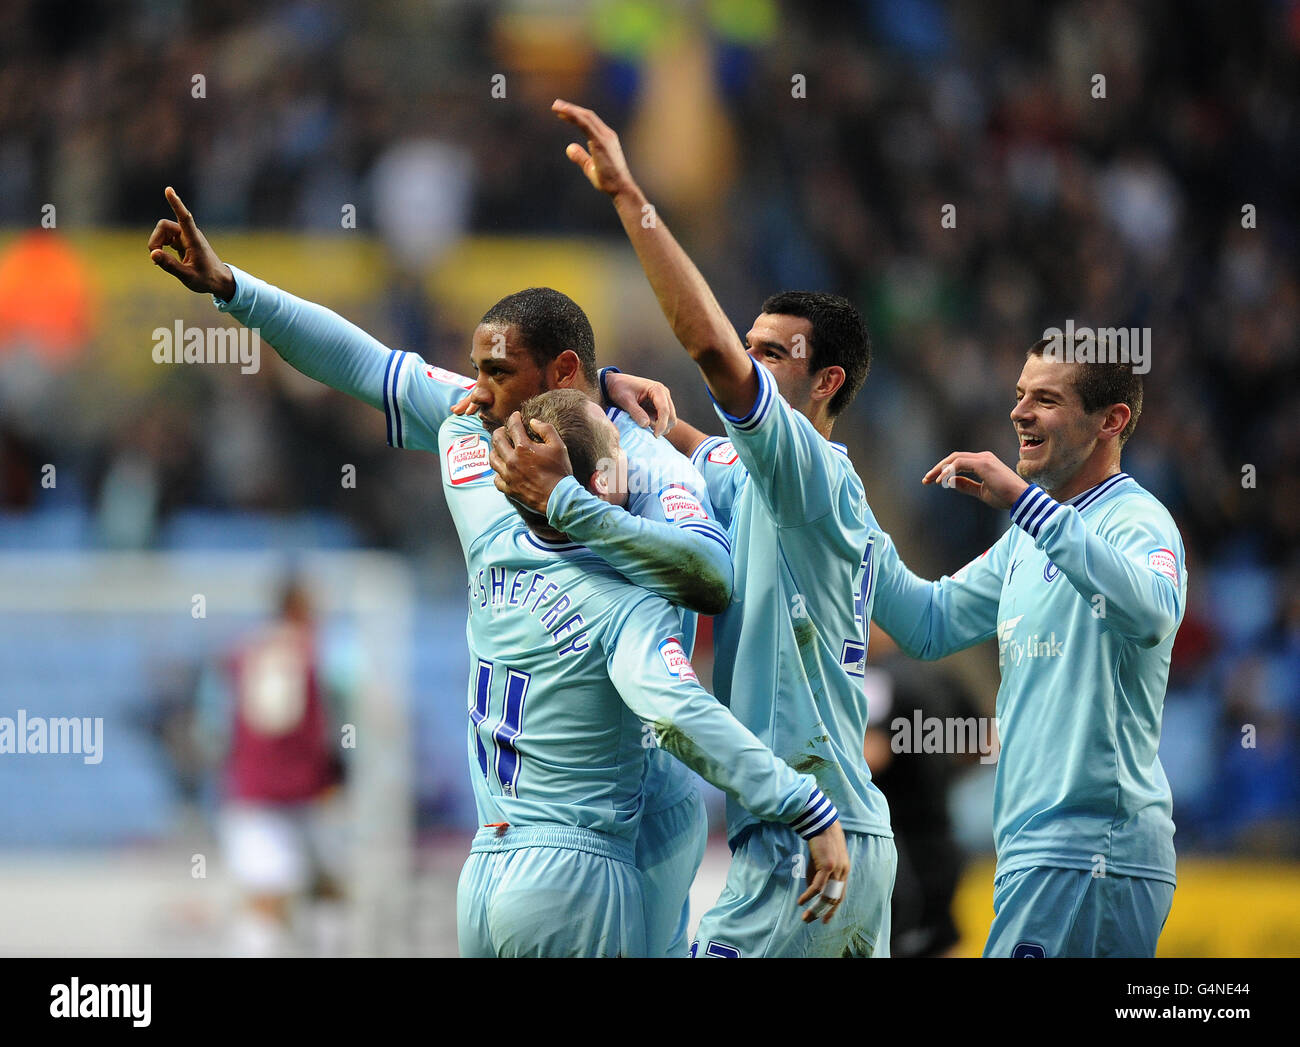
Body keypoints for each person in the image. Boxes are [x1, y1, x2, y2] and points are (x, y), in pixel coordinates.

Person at [147, 187, 723, 956]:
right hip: (508, 839)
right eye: (476, 369)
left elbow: (711, 571)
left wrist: (580, 508)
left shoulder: (647, 465)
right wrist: (233, 290)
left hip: (634, 816)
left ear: (561, 371)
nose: (476, 388)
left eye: (498, 371)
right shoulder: (468, 421)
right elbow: (359, 360)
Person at [493, 100, 895, 957]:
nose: (746, 359)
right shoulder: (765, 480)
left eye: (770, 353)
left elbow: (709, 353)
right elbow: (697, 443)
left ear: (826, 382)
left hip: (801, 837)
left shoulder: (806, 467)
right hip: (857, 837)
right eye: (751, 342)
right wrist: (604, 390)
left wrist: (629, 198)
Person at [457, 388, 848, 956]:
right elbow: (679, 716)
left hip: (482, 876)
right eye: (618, 452)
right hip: (573, 878)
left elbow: (437, 414)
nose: (634, 467)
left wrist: (593, 385)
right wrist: (803, 805)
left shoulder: (487, 540)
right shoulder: (626, 606)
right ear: (594, 485)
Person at [869, 338, 1185, 957]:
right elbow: (930, 622)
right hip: (1037, 849)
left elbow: (1151, 613)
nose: (1018, 413)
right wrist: (842, 522)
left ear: (1110, 421)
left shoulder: (1136, 520)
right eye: (1019, 396)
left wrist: (1024, 501)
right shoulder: (1027, 538)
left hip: (1093, 849)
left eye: (1045, 399)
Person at [195, 579, 349, 957]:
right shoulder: (321, 655)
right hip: (310, 795)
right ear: (299, 609)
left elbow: (211, 725)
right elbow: (341, 717)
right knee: (320, 889)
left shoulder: (239, 654)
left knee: (269, 896)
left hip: (254, 791)